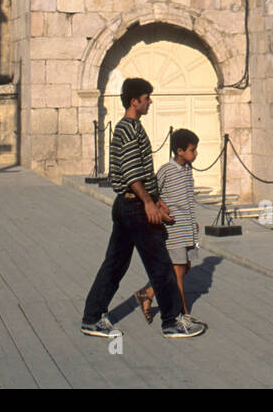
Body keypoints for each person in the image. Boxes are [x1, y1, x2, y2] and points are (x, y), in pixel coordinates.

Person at [81, 78, 207, 339]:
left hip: (128, 205)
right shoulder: (127, 129)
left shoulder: (133, 127)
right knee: (160, 264)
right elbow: (130, 171)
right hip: (135, 207)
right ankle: (172, 322)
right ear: (134, 101)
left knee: (115, 264)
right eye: (147, 97)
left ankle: (92, 318)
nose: (150, 102)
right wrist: (148, 203)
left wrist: (156, 198)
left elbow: (141, 172)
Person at [134, 129, 203, 321]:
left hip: (187, 228)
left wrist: (192, 221)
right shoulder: (166, 170)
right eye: (192, 150)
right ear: (180, 151)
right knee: (178, 272)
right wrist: (160, 210)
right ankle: (182, 313)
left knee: (183, 267)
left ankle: (147, 293)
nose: (195, 153)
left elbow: (188, 198)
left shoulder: (188, 169)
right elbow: (152, 193)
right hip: (173, 229)